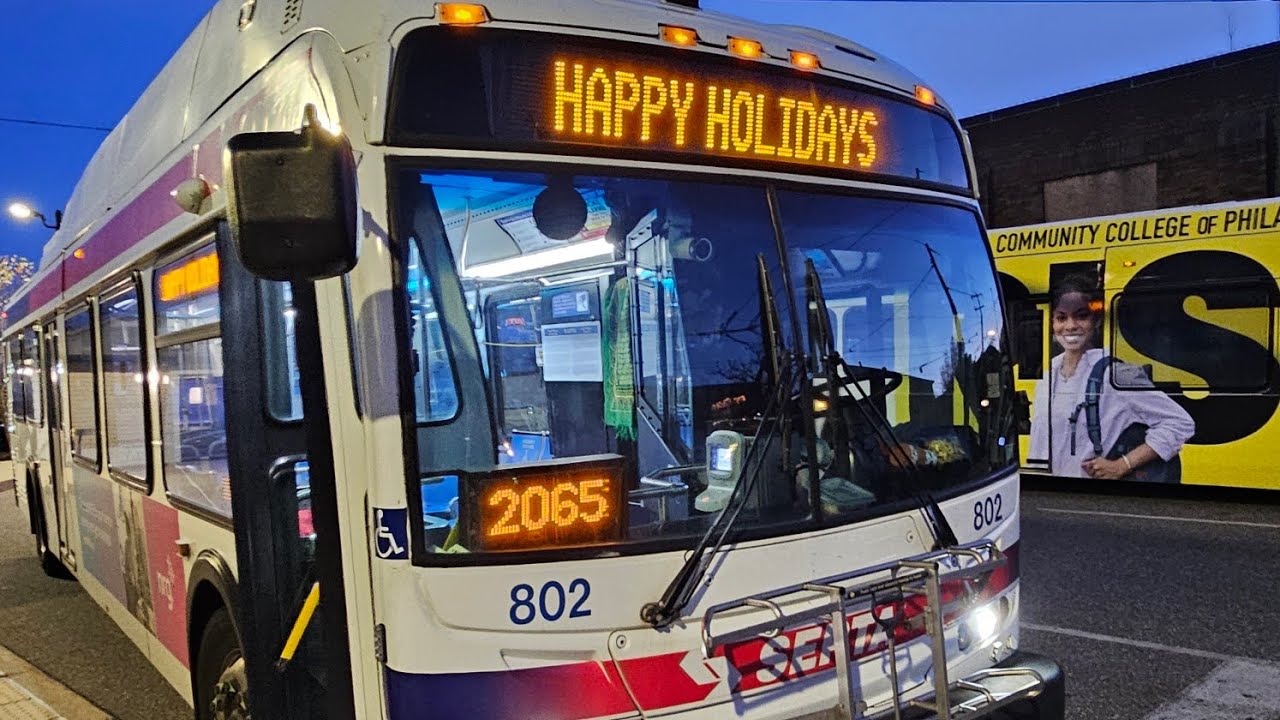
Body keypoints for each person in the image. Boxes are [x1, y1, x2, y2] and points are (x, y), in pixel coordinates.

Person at [1028, 275, 1195, 480]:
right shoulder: (1047, 375)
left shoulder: (1117, 373)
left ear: (1096, 320)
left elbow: (1179, 423)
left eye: (1081, 316)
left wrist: (1122, 465)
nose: (1070, 326)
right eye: (1061, 318)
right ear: (1052, 323)